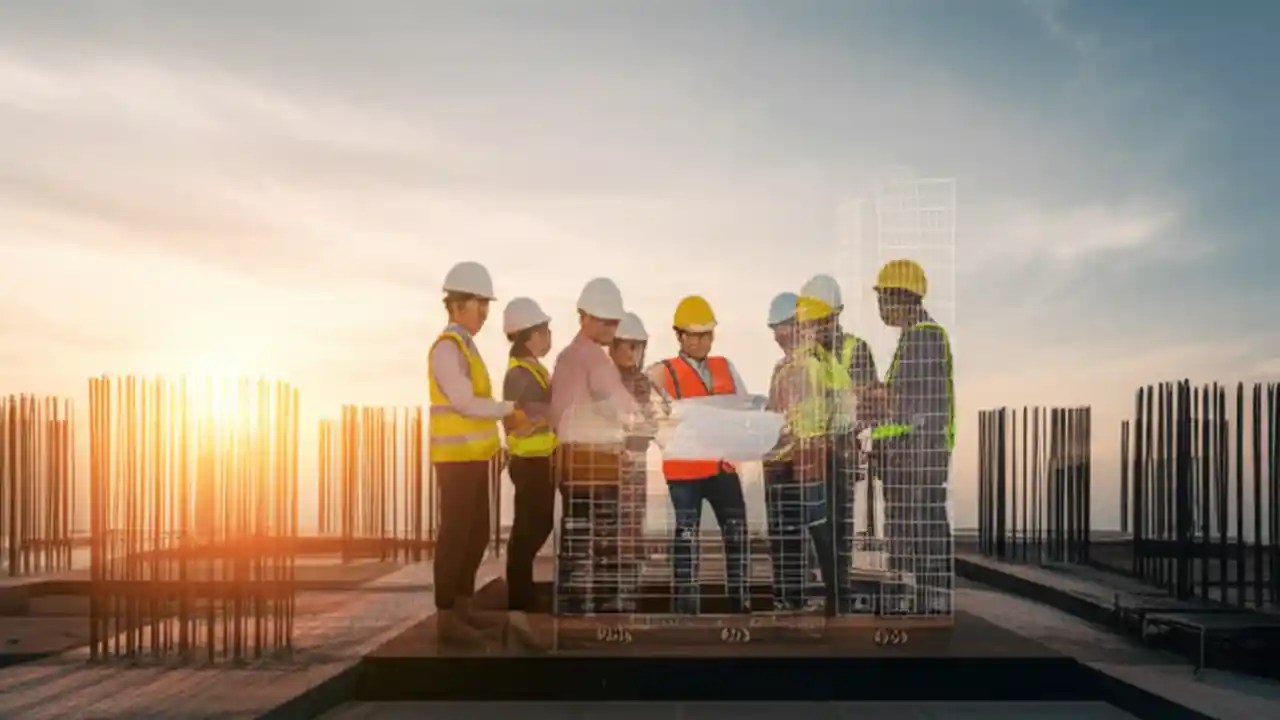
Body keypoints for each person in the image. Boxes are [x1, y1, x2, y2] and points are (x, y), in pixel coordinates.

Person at [428, 261, 532, 646]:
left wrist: (496, 446)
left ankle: (463, 606)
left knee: (476, 535)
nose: (485, 313)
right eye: (480, 304)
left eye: (487, 304)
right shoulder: (446, 349)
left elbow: (476, 407)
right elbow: (465, 402)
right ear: (458, 304)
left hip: (473, 458)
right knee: (455, 535)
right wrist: (508, 409)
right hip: (455, 461)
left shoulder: (467, 348)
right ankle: (446, 618)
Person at [644, 295, 752, 614]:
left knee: (737, 533)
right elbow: (654, 420)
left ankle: (740, 603)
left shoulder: (725, 367)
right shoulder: (662, 372)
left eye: (706, 334)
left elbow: (742, 408)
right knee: (687, 538)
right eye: (693, 335)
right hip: (685, 473)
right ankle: (686, 608)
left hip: (722, 468)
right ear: (679, 336)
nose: (701, 341)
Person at [867, 259, 956, 616]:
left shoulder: (923, 337)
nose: (880, 306)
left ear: (903, 297)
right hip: (911, 451)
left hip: (918, 452)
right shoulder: (915, 338)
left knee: (919, 525)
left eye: (883, 298)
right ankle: (917, 597)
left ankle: (927, 598)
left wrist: (872, 397)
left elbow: (907, 404)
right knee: (912, 525)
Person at [548, 277, 638, 614]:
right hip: (598, 462)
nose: (613, 329)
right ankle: (604, 608)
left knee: (576, 535)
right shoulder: (595, 359)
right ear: (587, 318)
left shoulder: (565, 357)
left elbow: (557, 414)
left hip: (571, 461)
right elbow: (622, 405)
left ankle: (571, 606)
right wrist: (639, 419)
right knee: (603, 538)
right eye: (608, 322)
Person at [501, 297, 557, 613]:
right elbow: (515, 423)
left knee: (539, 524)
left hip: (541, 461)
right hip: (528, 462)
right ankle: (519, 600)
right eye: (545, 330)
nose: (549, 336)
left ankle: (522, 594)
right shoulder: (518, 375)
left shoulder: (534, 370)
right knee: (527, 531)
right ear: (531, 334)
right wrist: (549, 415)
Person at [610, 311, 659, 580]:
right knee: (612, 518)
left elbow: (650, 420)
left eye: (638, 347)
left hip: (636, 461)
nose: (634, 353)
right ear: (615, 346)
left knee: (634, 512)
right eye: (629, 346)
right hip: (610, 464)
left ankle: (631, 571)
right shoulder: (603, 379)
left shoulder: (643, 382)